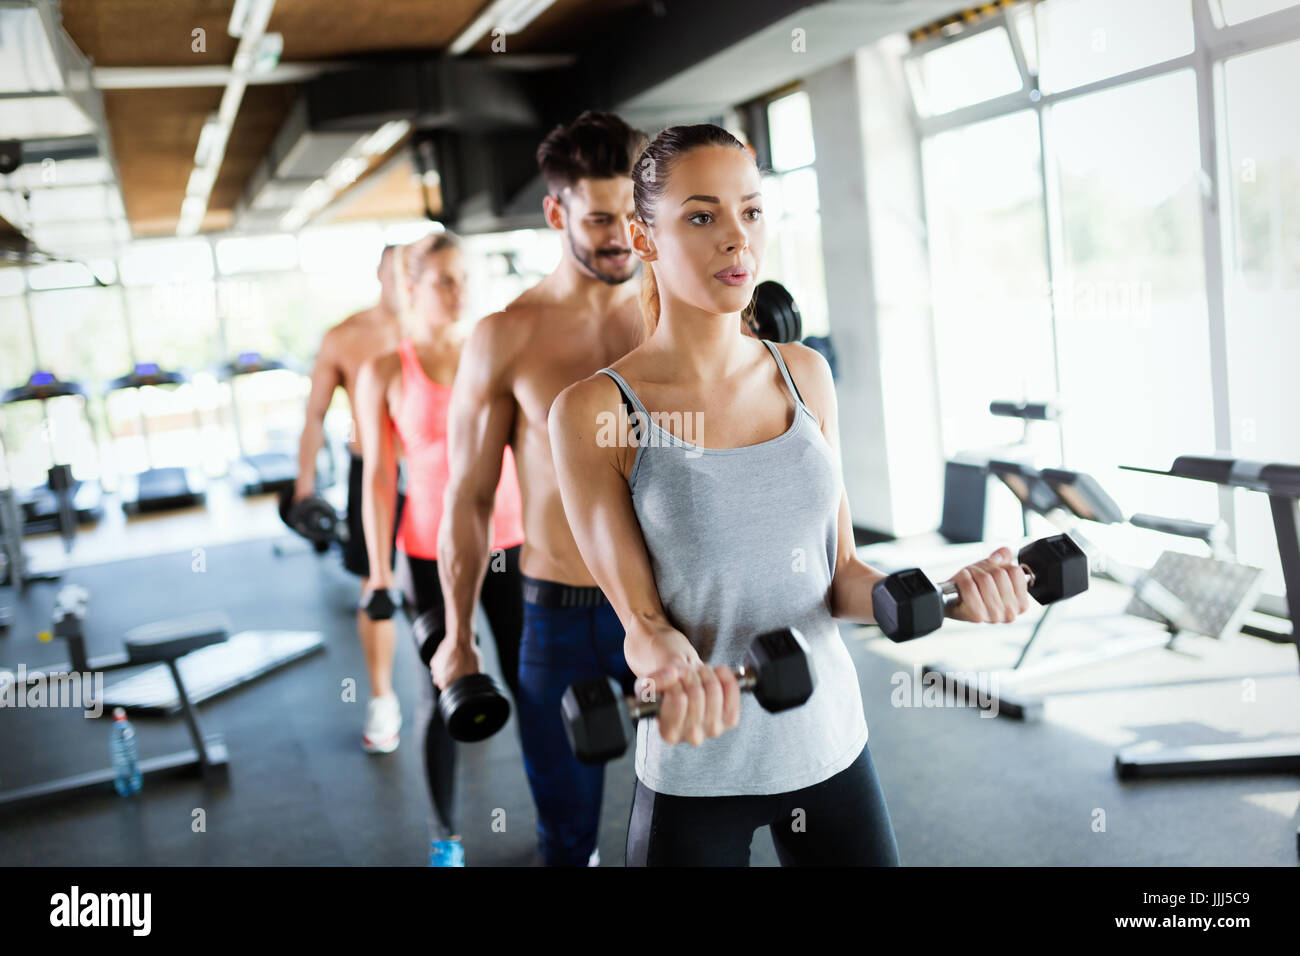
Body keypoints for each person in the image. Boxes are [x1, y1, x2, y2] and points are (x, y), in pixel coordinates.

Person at [548, 124, 1034, 866]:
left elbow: (840, 577)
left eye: (752, 211)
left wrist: (947, 595)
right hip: (700, 768)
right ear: (645, 238)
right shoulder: (597, 410)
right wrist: (670, 667)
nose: (736, 240)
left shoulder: (803, 373)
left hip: (830, 746)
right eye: (702, 216)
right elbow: (640, 618)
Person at [435, 111, 647, 867]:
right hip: (563, 614)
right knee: (567, 831)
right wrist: (458, 635)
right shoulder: (508, 336)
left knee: (704, 814)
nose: (622, 233)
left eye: (633, 213)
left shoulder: (678, 315)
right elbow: (467, 496)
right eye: (599, 218)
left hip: (676, 598)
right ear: (557, 214)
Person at [354, 233, 525, 867]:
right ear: (411, 287)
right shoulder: (385, 370)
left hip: (508, 543)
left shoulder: (497, 350)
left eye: (465, 278)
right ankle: (446, 837)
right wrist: (376, 571)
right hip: (425, 554)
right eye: (443, 281)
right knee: (443, 686)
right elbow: (378, 478)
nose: (459, 292)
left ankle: (564, 828)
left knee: (528, 681)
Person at [293, 244, 405, 754]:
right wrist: (303, 485)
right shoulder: (344, 337)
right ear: (379, 273)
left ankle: (456, 678)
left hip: (432, 472)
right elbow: (315, 415)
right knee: (374, 582)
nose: (404, 280)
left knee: (450, 578)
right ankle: (382, 697)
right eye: (396, 270)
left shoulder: (443, 331)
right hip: (370, 472)